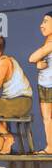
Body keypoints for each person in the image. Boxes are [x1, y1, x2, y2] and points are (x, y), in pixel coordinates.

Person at [29, 12, 52, 154]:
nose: (41, 25)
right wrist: (38, 64)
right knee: (47, 118)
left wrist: (36, 61)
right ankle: (50, 146)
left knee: (48, 117)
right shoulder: (47, 43)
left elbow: (32, 57)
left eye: (45, 22)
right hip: (45, 84)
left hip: (49, 85)